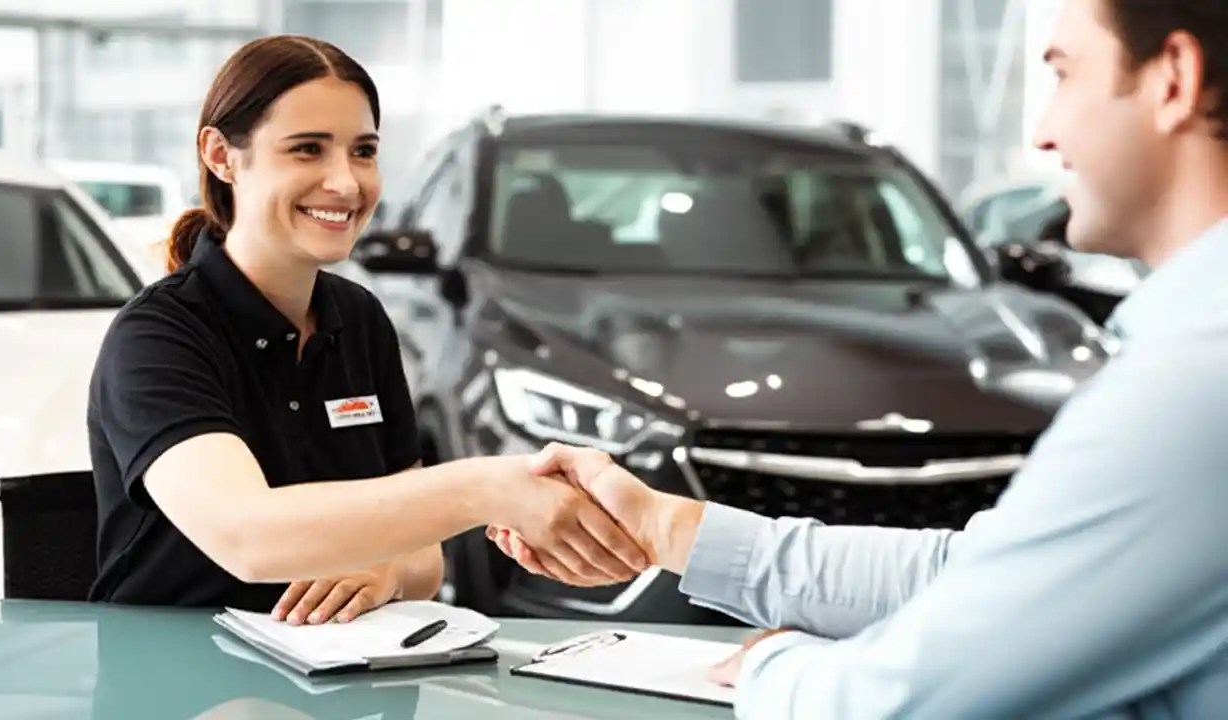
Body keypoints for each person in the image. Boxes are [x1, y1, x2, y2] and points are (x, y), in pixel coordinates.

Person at [491, 1, 1228, 717]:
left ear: (1173, 78)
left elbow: (898, 703)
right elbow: (983, 575)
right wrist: (665, 527)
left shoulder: (1193, 384)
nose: (1042, 133)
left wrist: (774, 663)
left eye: (1064, 74)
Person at [86, 35, 647, 623]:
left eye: (363, 151)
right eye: (307, 150)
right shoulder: (158, 335)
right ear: (222, 156)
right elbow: (248, 539)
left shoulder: (359, 319)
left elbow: (426, 561)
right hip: (177, 677)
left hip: (333, 673)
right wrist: (487, 489)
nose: (347, 183)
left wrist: (385, 571)